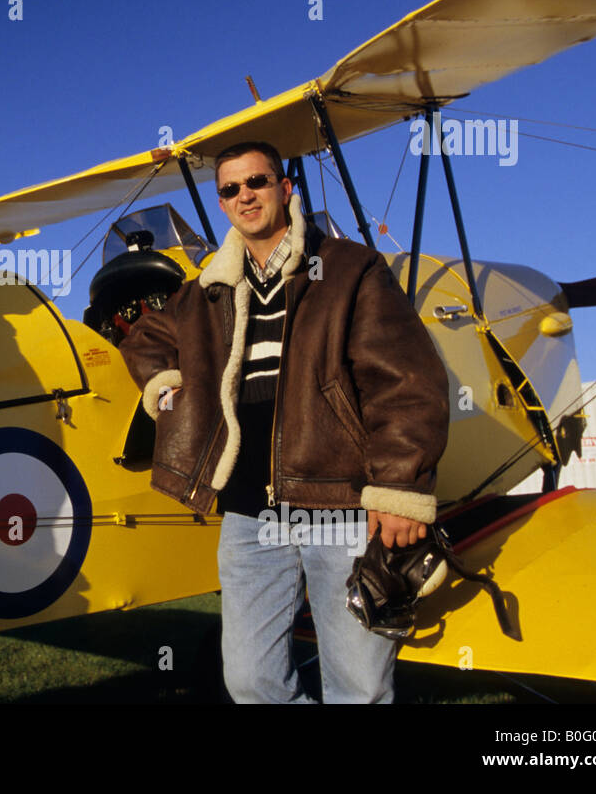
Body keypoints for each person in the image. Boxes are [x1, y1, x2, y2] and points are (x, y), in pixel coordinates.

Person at [119, 141, 448, 703]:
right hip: (248, 513)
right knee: (249, 680)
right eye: (230, 189)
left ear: (284, 187)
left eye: (258, 182)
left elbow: (405, 380)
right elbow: (148, 337)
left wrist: (398, 488)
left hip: (337, 503)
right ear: (222, 204)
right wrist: (163, 385)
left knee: (360, 684)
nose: (244, 195)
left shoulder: (349, 268)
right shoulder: (206, 289)